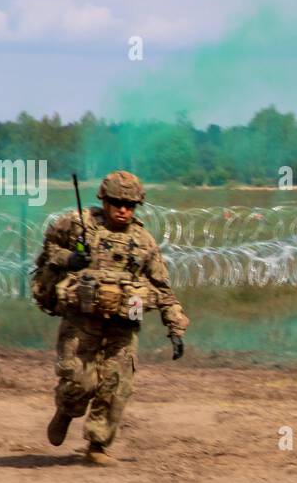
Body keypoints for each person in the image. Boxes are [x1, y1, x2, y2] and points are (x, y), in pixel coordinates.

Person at [32, 170, 189, 465]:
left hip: (123, 323)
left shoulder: (143, 242)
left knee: (116, 384)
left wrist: (175, 327)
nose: (123, 210)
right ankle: (66, 409)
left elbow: (161, 287)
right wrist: (70, 259)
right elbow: (49, 248)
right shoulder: (78, 225)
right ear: (104, 201)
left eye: (130, 205)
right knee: (80, 381)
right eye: (117, 202)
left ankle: (97, 445)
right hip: (82, 320)